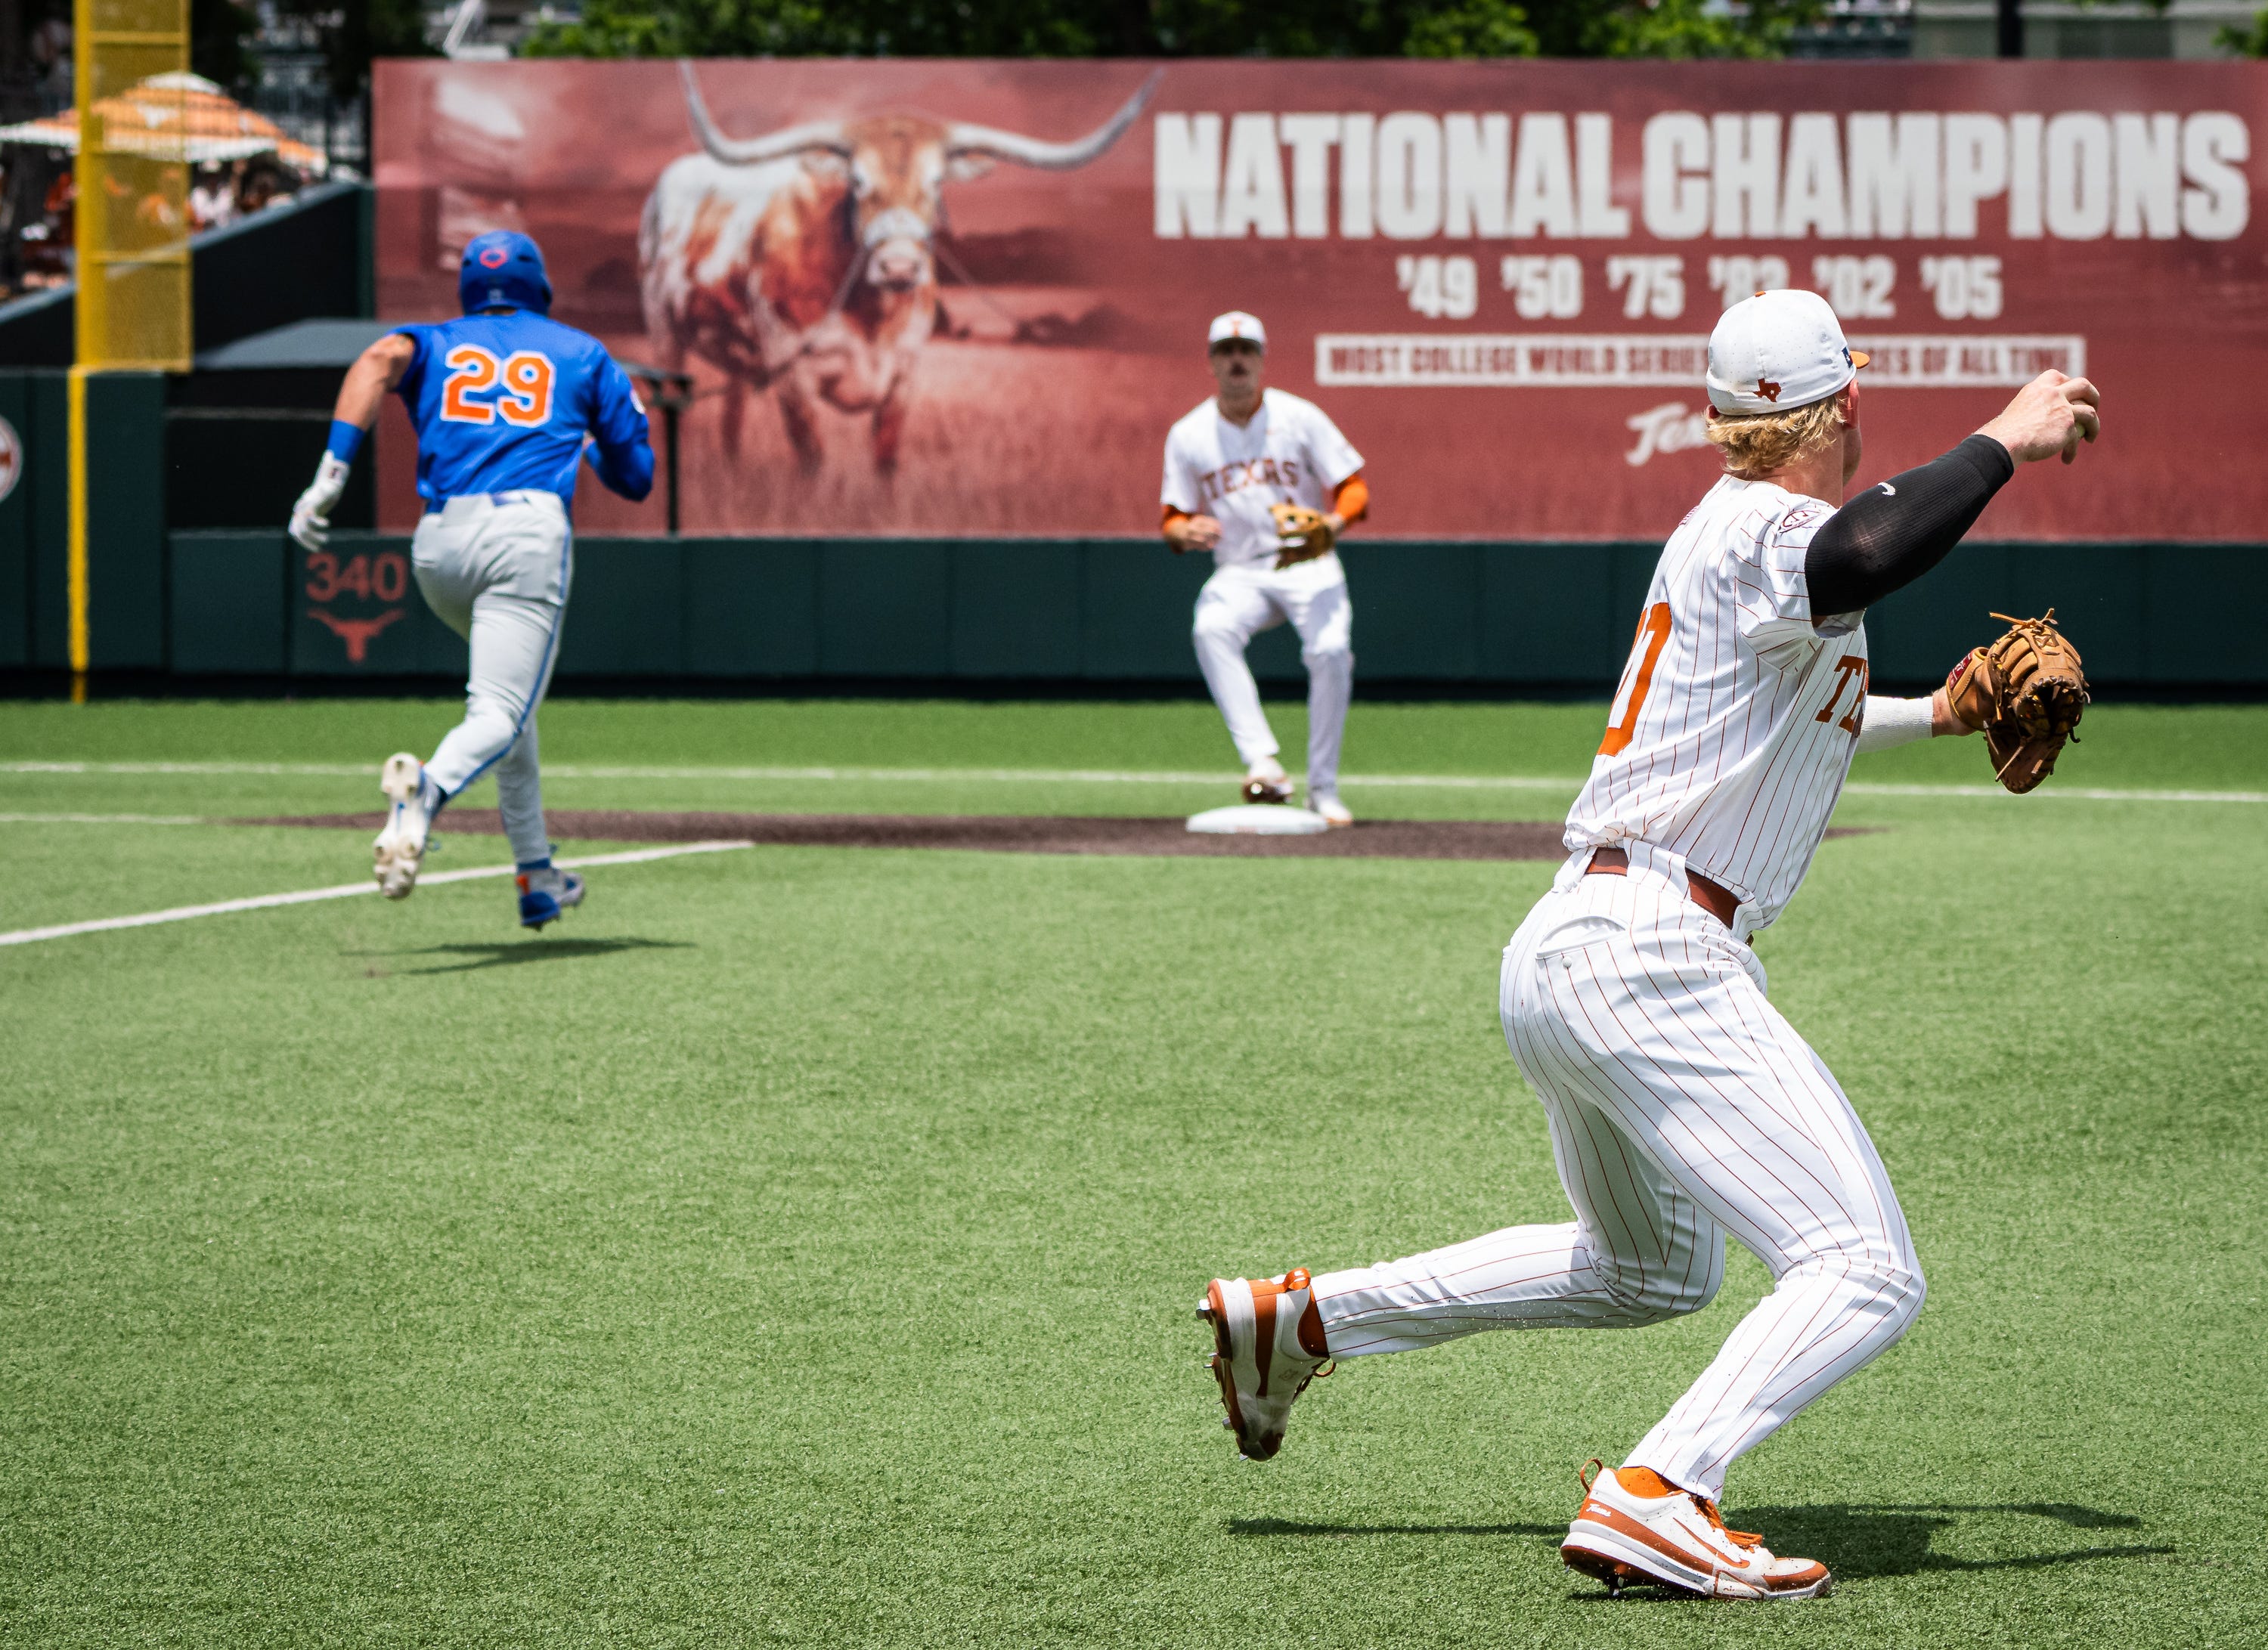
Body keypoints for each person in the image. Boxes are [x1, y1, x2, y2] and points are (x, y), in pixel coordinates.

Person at [1196, 290, 2100, 1601]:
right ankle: (1663, 1487)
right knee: (1862, 1266)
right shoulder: (1770, 529)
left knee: (1651, 1266)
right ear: (1843, 404)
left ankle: (1306, 1318)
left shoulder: (1737, 537)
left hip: (1580, 942)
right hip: (1654, 950)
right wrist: (2004, 439)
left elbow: (1788, 706)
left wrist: (1940, 710)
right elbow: (1866, 553)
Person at [289, 229, 654, 929]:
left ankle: (535, 876)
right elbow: (637, 478)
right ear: (537, 286)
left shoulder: (432, 340)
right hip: (522, 537)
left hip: (439, 549)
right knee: (498, 713)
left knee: (510, 713)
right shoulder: (581, 351)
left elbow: (377, 358)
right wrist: (591, 453)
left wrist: (329, 478)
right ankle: (424, 792)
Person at [1160, 311, 1368, 827]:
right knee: (1211, 626)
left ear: (1261, 359)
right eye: (1227, 351)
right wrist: (1182, 533)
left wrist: (1334, 523)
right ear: (1212, 362)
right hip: (1241, 568)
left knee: (1331, 651)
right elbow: (1172, 517)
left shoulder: (1299, 417)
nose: (1237, 360)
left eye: (1247, 350)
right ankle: (1263, 762)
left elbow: (1354, 487)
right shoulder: (1189, 433)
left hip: (1308, 560)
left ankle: (1322, 787)